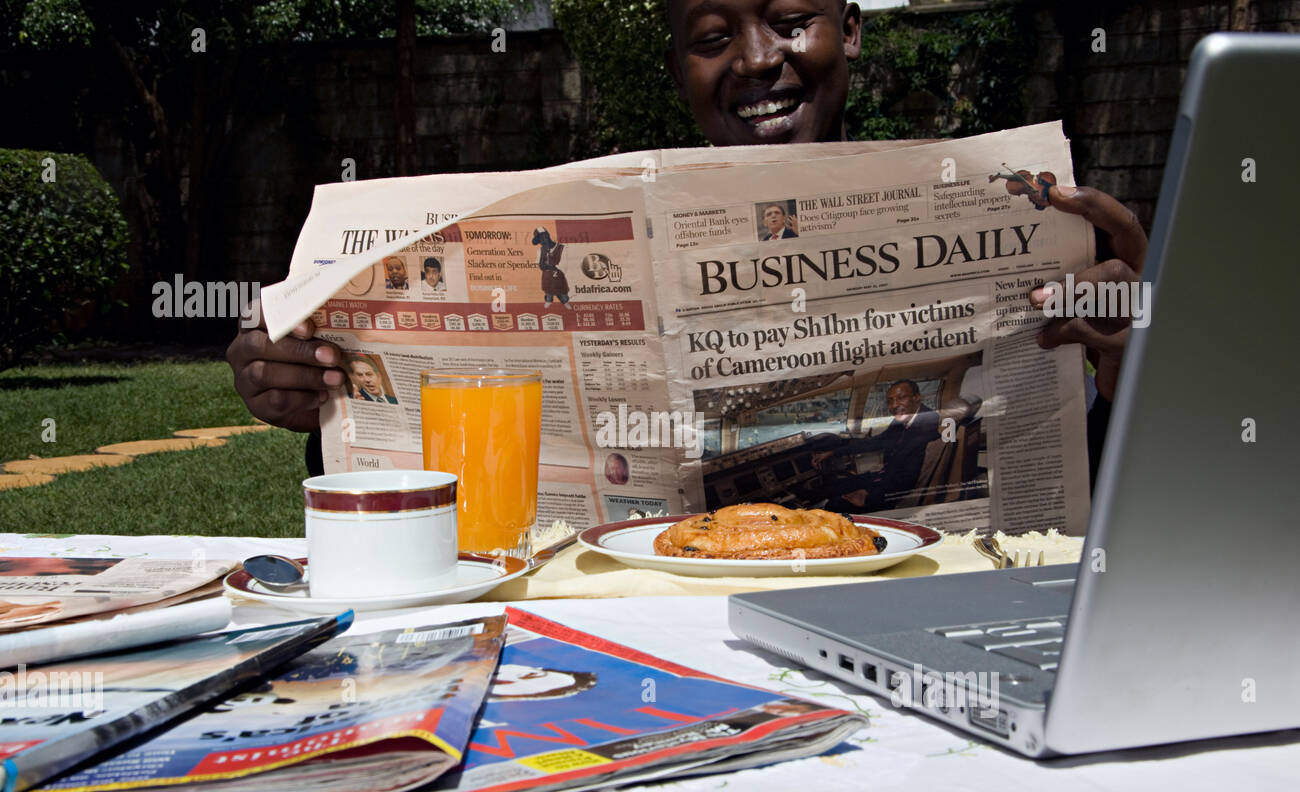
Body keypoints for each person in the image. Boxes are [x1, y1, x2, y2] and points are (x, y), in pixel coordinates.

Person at [227, 0, 1144, 479]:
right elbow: (424, 474)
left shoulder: (1011, 209)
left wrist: (1132, 366)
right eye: (712, 36)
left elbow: (1103, 499)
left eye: (791, 20)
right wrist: (319, 398)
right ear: (679, 68)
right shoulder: (557, 212)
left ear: (850, 31)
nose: (755, 58)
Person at [813, 379, 940, 511]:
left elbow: (907, 479)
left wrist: (869, 498)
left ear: (917, 397)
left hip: (891, 491)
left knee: (835, 505)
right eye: (890, 401)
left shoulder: (927, 425)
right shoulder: (904, 420)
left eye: (901, 398)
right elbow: (876, 442)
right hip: (884, 477)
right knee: (832, 487)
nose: (894, 405)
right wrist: (833, 453)